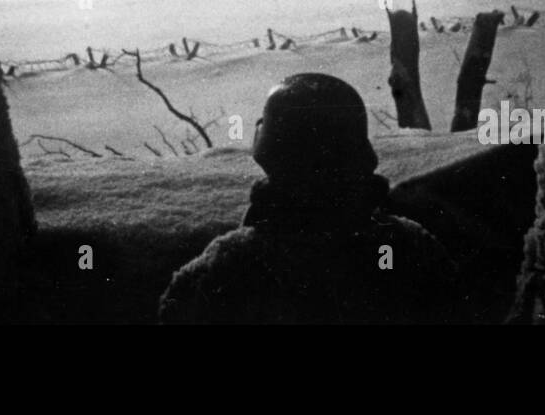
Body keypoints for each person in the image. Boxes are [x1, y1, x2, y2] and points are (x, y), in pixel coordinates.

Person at [158, 73, 461, 323]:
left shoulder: (231, 265)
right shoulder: (409, 247)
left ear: (269, 154)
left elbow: (175, 311)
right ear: (361, 156)